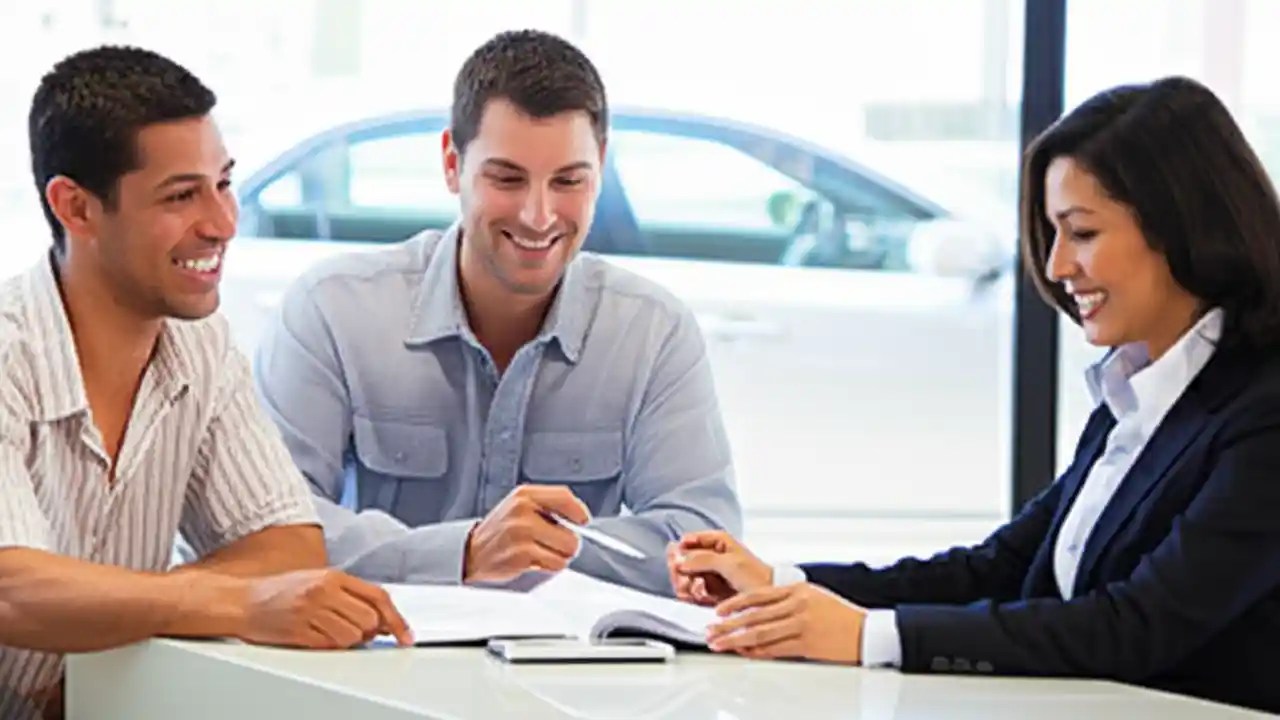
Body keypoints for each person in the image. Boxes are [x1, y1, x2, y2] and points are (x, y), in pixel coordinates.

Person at [666, 76, 1280, 714]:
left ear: (1179, 224)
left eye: (1083, 233)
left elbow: (1135, 626)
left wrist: (866, 636)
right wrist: (779, 586)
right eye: (1054, 233)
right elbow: (999, 568)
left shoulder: (1262, 409)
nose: (1056, 265)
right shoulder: (1136, 393)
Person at [253, 29, 741, 596]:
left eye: (569, 181)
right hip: (378, 661)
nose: (539, 215)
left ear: (600, 167)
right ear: (452, 165)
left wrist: (548, 548)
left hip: (570, 671)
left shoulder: (653, 331)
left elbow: (707, 544)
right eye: (507, 179)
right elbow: (266, 528)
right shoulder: (333, 309)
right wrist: (464, 552)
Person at [2, 45, 412, 720]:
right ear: (76, 209)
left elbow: (288, 547)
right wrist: (236, 602)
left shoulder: (201, 345)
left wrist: (99, 626)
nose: (223, 223)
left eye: (223, 183)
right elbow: (10, 591)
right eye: (182, 195)